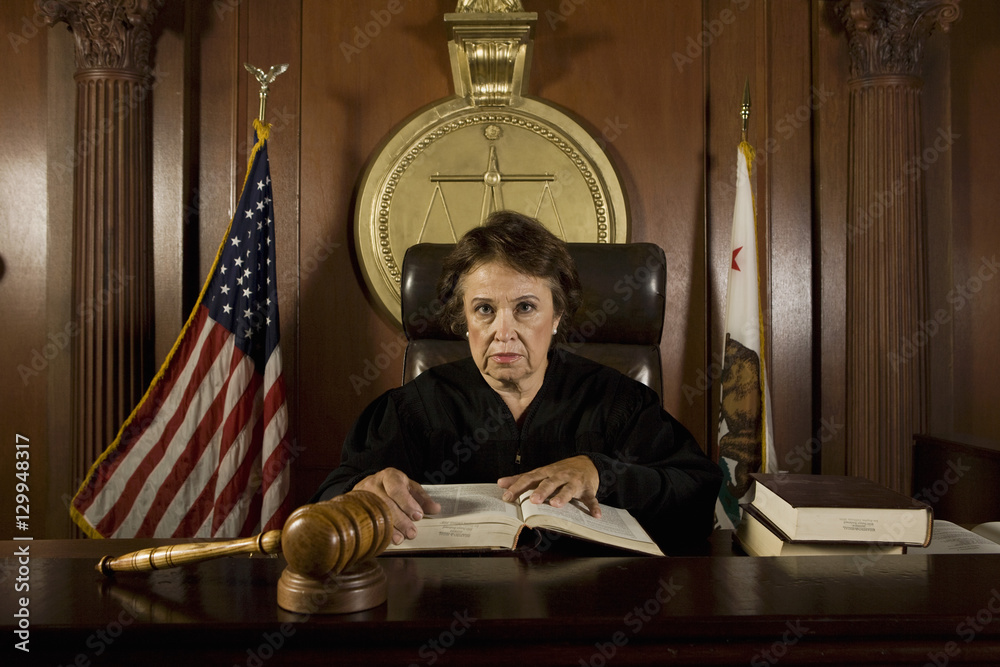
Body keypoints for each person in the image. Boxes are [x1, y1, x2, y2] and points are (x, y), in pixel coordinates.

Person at [314, 211, 722, 549]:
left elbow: (699, 499)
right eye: (484, 309)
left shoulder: (619, 402)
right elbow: (326, 504)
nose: (503, 331)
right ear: (464, 320)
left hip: (592, 613)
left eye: (525, 307)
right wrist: (360, 493)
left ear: (557, 315)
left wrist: (603, 473)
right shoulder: (413, 409)